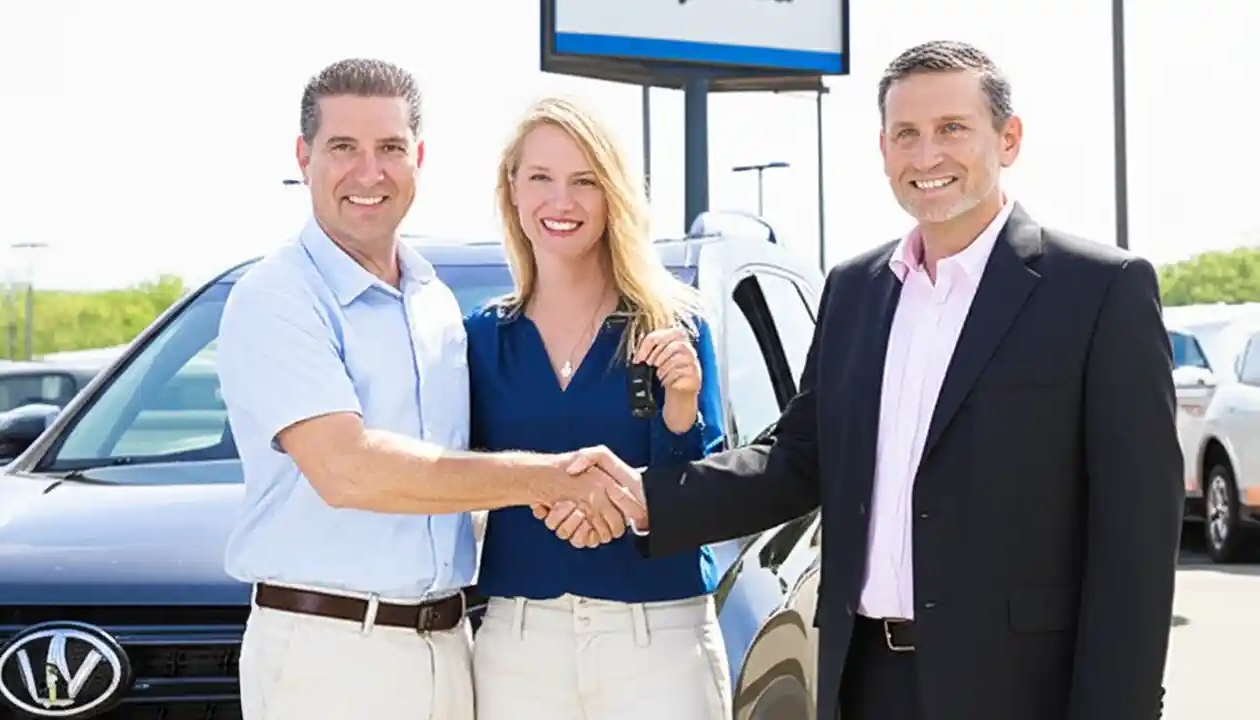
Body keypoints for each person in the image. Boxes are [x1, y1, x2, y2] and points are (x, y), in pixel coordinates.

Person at [557, 41, 1184, 720]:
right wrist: (646, 496)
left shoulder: (1099, 291)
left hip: (1022, 690)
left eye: (951, 130)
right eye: (905, 135)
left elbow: (1136, 544)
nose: (926, 156)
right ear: (883, 149)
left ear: (1009, 139)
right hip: (864, 682)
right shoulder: (855, 290)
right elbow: (798, 459)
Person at [215, 60, 637, 720]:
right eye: (343, 148)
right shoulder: (279, 297)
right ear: (303, 156)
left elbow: (463, 476)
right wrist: (554, 481)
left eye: (389, 148)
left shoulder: (435, 302)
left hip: (450, 647)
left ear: (418, 157)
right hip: (330, 660)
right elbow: (347, 471)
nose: (368, 172)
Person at [463, 96, 732, 720]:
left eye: (585, 181)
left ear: (613, 195)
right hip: (518, 646)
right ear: (513, 189)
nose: (562, 202)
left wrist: (681, 407)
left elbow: (704, 495)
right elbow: (459, 477)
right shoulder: (482, 337)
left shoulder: (677, 324)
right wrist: (544, 493)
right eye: (541, 178)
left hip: (659, 640)